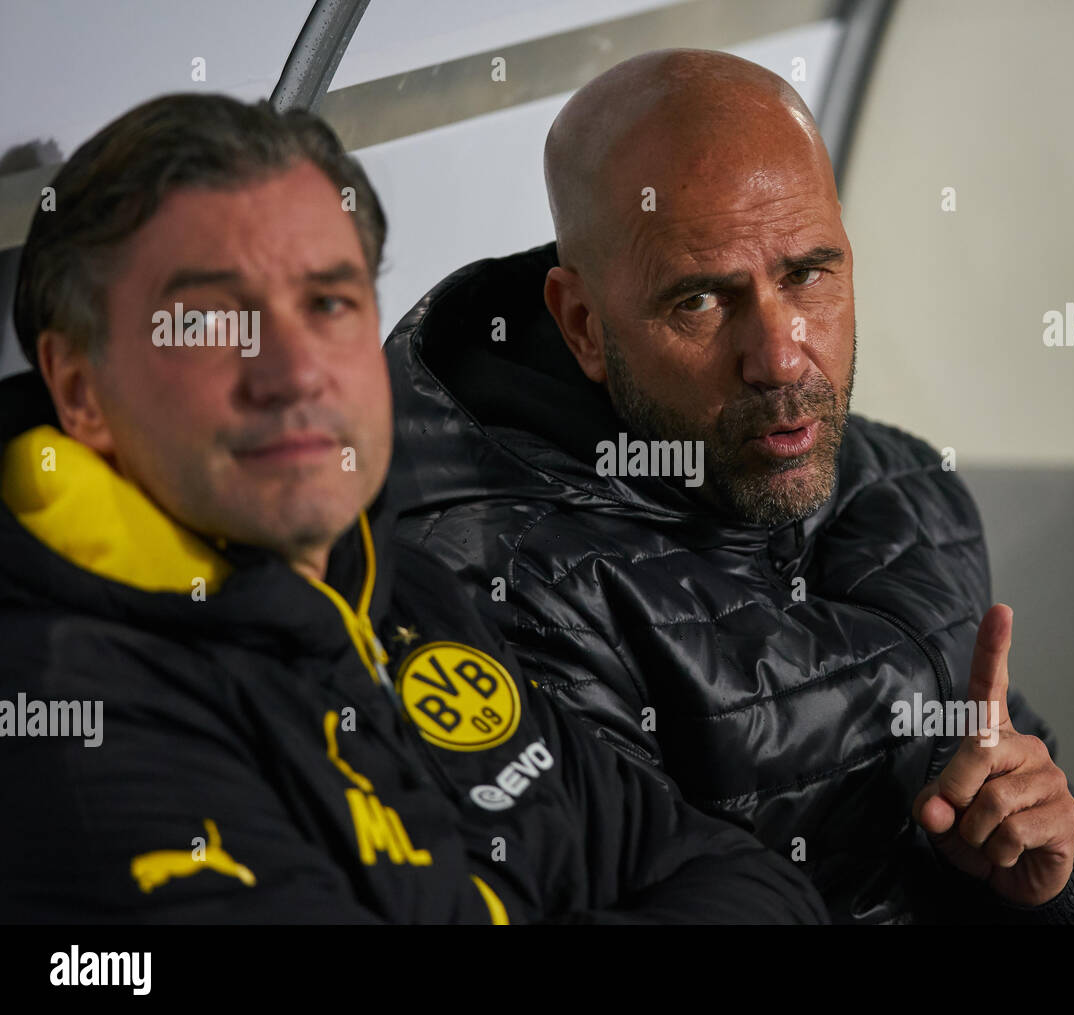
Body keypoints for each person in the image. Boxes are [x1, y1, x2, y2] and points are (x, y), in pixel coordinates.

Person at [0, 92, 828, 925]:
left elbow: (750, 879)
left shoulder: (397, 591)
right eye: (213, 321)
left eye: (328, 304)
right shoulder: (68, 717)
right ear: (82, 391)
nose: (294, 370)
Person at [384, 49, 1074, 923]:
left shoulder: (897, 483)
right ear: (583, 325)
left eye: (807, 274)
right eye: (702, 302)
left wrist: (1061, 881)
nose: (782, 357)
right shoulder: (503, 591)